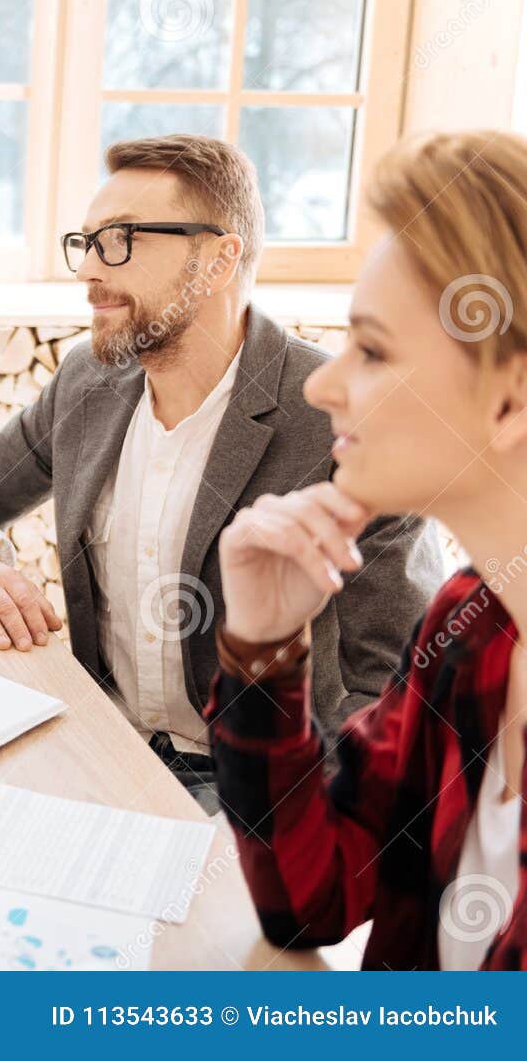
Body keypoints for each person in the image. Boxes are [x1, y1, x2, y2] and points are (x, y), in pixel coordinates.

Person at [0, 134, 443, 811]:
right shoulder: (89, 382)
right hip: (99, 742)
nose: (89, 272)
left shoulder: (340, 417)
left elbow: (402, 685)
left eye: (121, 240)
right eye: (86, 242)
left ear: (218, 259)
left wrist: (295, 818)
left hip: (260, 787)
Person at [209, 129, 527, 969]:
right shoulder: (474, 627)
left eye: (373, 349)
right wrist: (266, 648)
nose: (322, 384)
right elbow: (309, 899)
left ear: (513, 396)